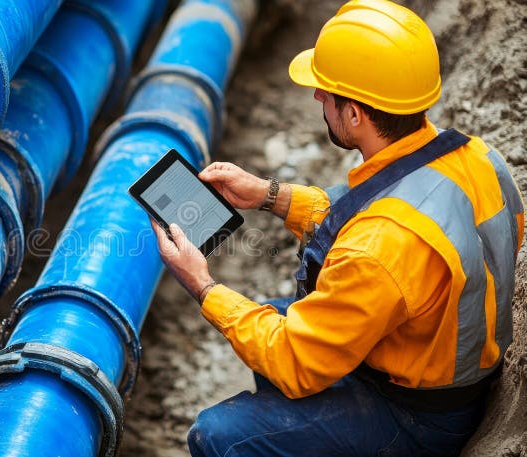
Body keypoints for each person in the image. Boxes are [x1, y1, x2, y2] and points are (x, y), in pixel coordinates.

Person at [149, 0, 525, 455]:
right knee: (270, 314)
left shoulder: (380, 249)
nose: (316, 98)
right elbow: (374, 213)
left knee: (219, 435)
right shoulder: (478, 158)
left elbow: (296, 360)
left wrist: (203, 285)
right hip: (441, 366)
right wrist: (270, 195)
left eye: (326, 91)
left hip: (417, 419)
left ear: (355, 116)